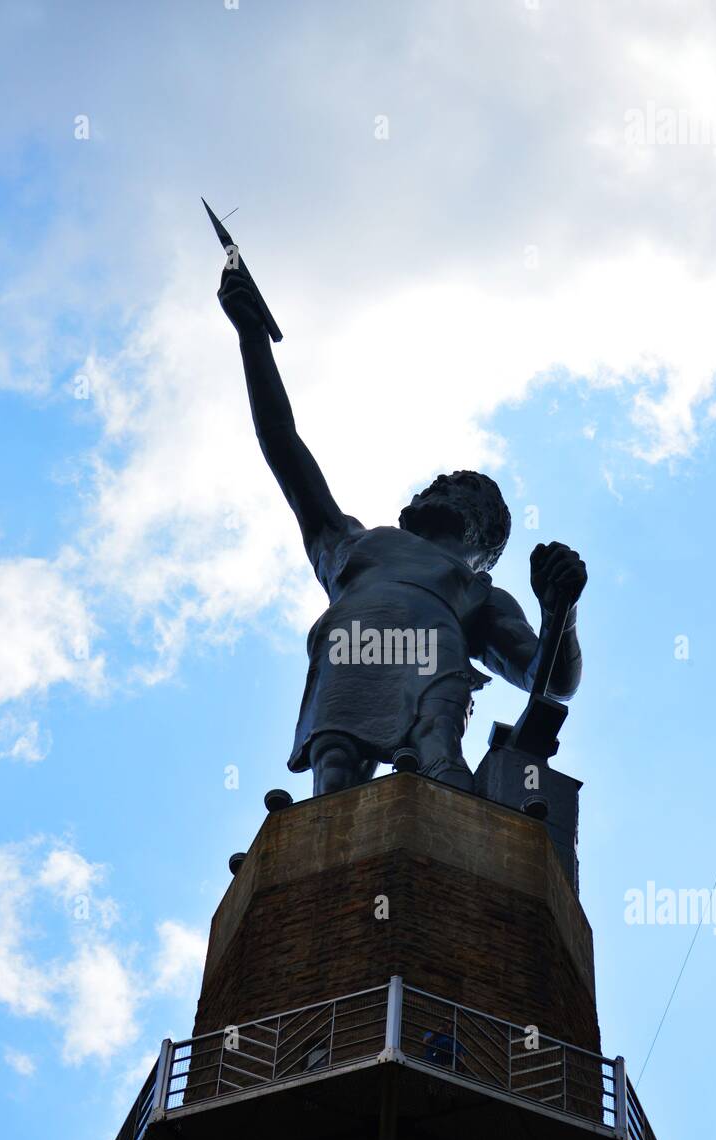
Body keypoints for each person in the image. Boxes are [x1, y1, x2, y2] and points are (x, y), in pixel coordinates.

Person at [218, 265, 587, 796]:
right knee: (335, 767)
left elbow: (551, 683)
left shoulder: (480, 591)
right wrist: (252, 338)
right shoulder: (351, 541)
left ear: (482, 529)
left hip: (436, 659)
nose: (436, 483)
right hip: (350, 648)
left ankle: (449, 855)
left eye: (457, 484)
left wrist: (561, 614)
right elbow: (283, 442)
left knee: (441, 760)